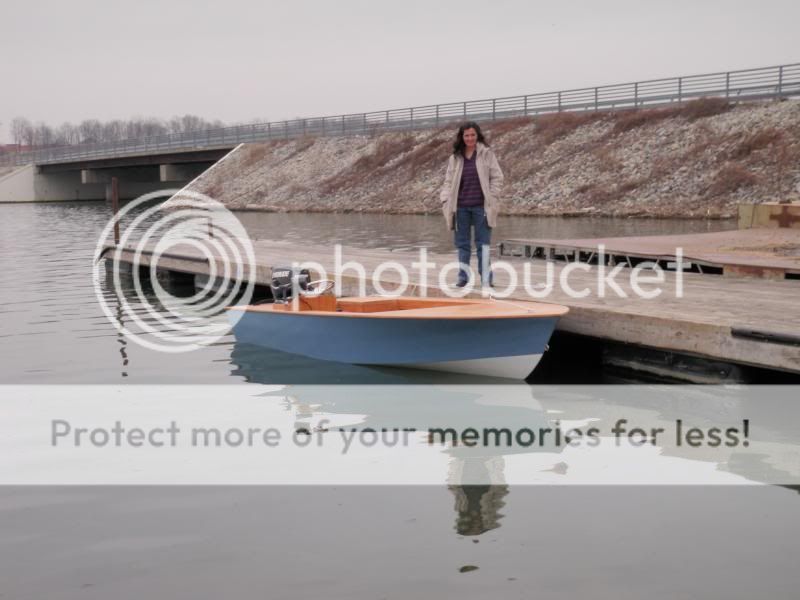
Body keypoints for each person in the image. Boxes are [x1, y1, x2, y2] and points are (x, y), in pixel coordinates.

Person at [439, 121, 504, 287]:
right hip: (460, 208)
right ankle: (463, 277)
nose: (469, 138)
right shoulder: (455, 157)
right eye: (466, 135)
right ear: (462, 137)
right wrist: (445, 199)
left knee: (483, 244)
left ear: (478, 135)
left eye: (472, 135)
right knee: (462, 245)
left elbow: (497, 177)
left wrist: (493, 196)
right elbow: (448, 181)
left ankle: (486, 279)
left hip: (482, 207)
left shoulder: (487, 154)